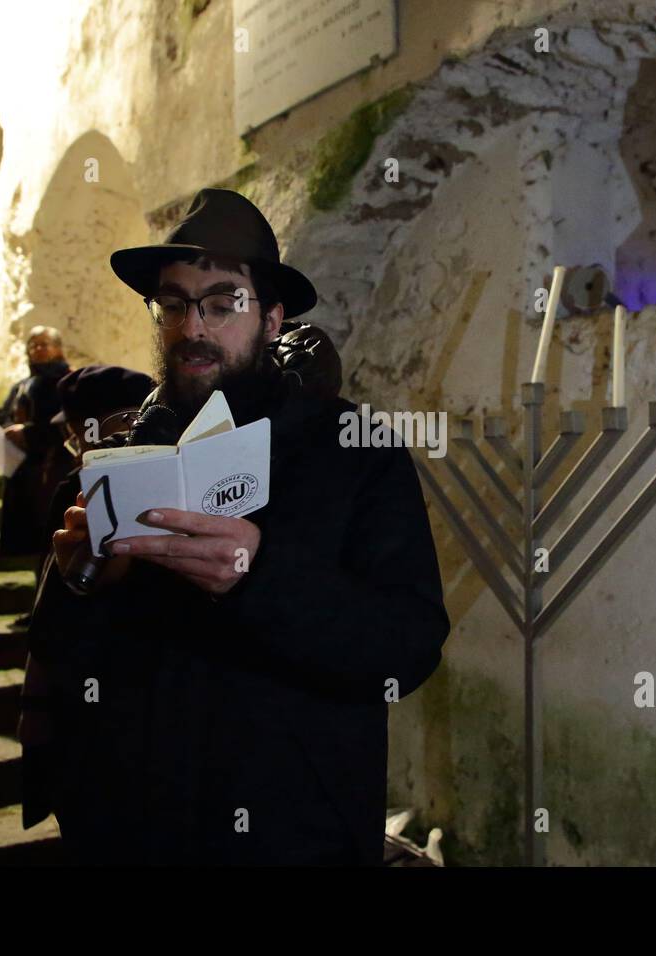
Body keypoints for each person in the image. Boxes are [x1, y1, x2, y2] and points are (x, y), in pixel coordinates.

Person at [28, 188, 450, 865]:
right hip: (132, 832)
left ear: (272, 317)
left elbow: (407, 648)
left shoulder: (356, 449)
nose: (193, 327)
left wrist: (263, 576)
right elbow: (60, 656)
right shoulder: (119, 449)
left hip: (295, 832)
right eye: (173, 303)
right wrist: (83, 580)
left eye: (223, 304)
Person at [18, 363, 153, 827]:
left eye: (77, 433)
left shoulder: (85, 487)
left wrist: (34, 706)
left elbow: (52, 619)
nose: (75, 444)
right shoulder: (80, 487)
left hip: (105, 712)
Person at [0, 326, 74, 562]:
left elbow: (67, 425)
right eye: (33, 345)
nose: (37, 349)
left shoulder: (68, 382)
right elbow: (3, 415)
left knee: (54, 536)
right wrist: (10, 428)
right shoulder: (22, 385)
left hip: (53, 470)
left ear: (58, 349)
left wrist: (29, 433)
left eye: (44, 344)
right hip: (23, 469)